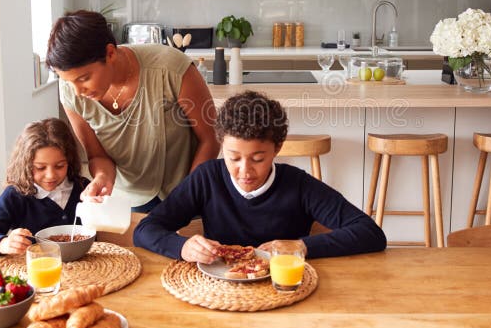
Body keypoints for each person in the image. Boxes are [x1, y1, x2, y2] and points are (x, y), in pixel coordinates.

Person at [135, 91, 387, 261]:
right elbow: (145, 230)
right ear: (222, 146)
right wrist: (182, 247)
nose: (245, 171)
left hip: (284, 287)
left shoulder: (298, 185)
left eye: (257, 159)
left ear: (277, 149)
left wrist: (302, 246)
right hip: (219, 291)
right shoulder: (207, 178)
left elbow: (371, 233)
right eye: (234, 158)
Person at [46, 11, 219, 213]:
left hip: (186, 188)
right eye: (69, 82)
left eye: (84, 78)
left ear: (110, 53)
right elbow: (97, 156)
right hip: (127, 199)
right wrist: (101, 178)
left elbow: (211, 137)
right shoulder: (71, 93)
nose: (78, 92)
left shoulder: (171, 68)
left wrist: (189, 194)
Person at [0, 118, 89, 256]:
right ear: (26, 164)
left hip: (88, 266)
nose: (50, 176)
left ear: (70, 161)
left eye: (59, 166)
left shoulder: (83, 188)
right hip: (37, 265)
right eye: (40, 168)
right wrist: (3, 243)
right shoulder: (16, 194)